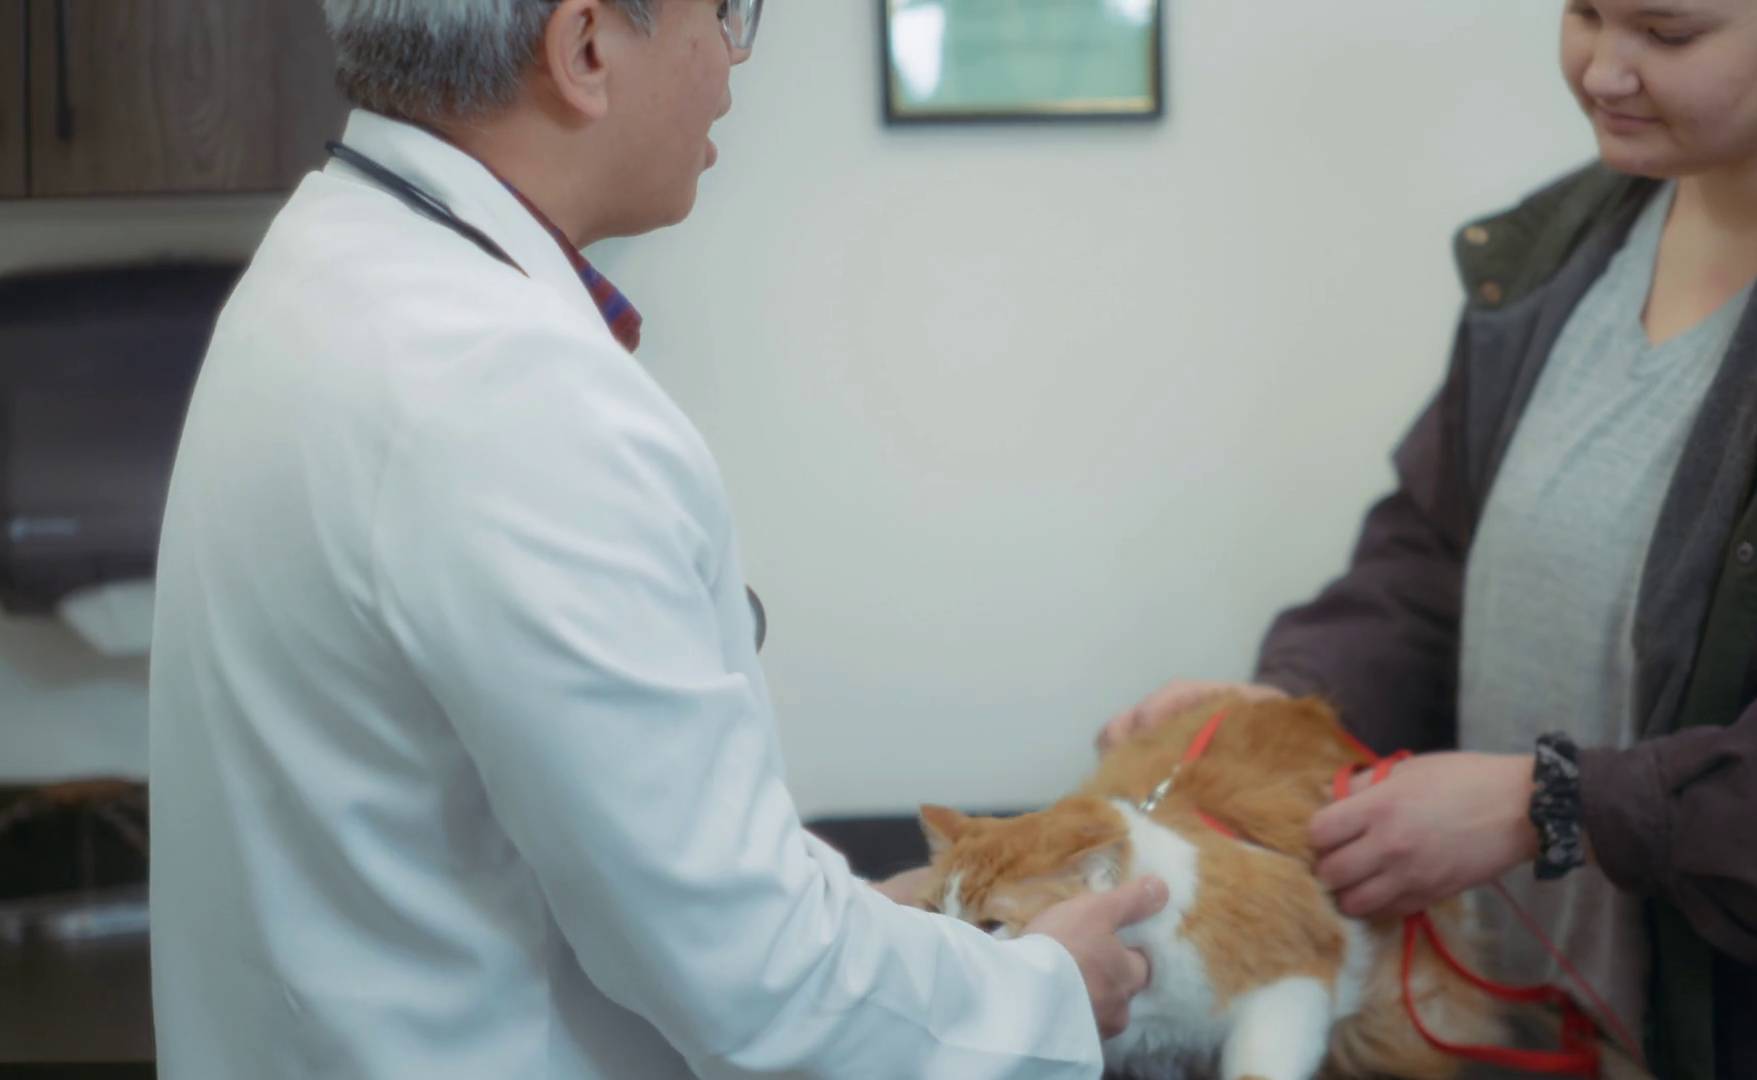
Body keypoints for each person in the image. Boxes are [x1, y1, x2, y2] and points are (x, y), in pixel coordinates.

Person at [146, 2, 1167, 1077]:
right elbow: (763, 985)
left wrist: (852, 921)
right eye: (723, 12)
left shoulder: (327, 273)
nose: (733, 57)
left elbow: (595, 866)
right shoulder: (508, 396)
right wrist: (1043, 990)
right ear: (586, 48)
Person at [1102, 1, 1757, 1077]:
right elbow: (1432, 563)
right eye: (1585, 13)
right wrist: (1289, 707)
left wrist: (1555, 806)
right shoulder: (1557, 252)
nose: (1606, 74)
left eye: (1667, 36)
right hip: (1503, 1026)